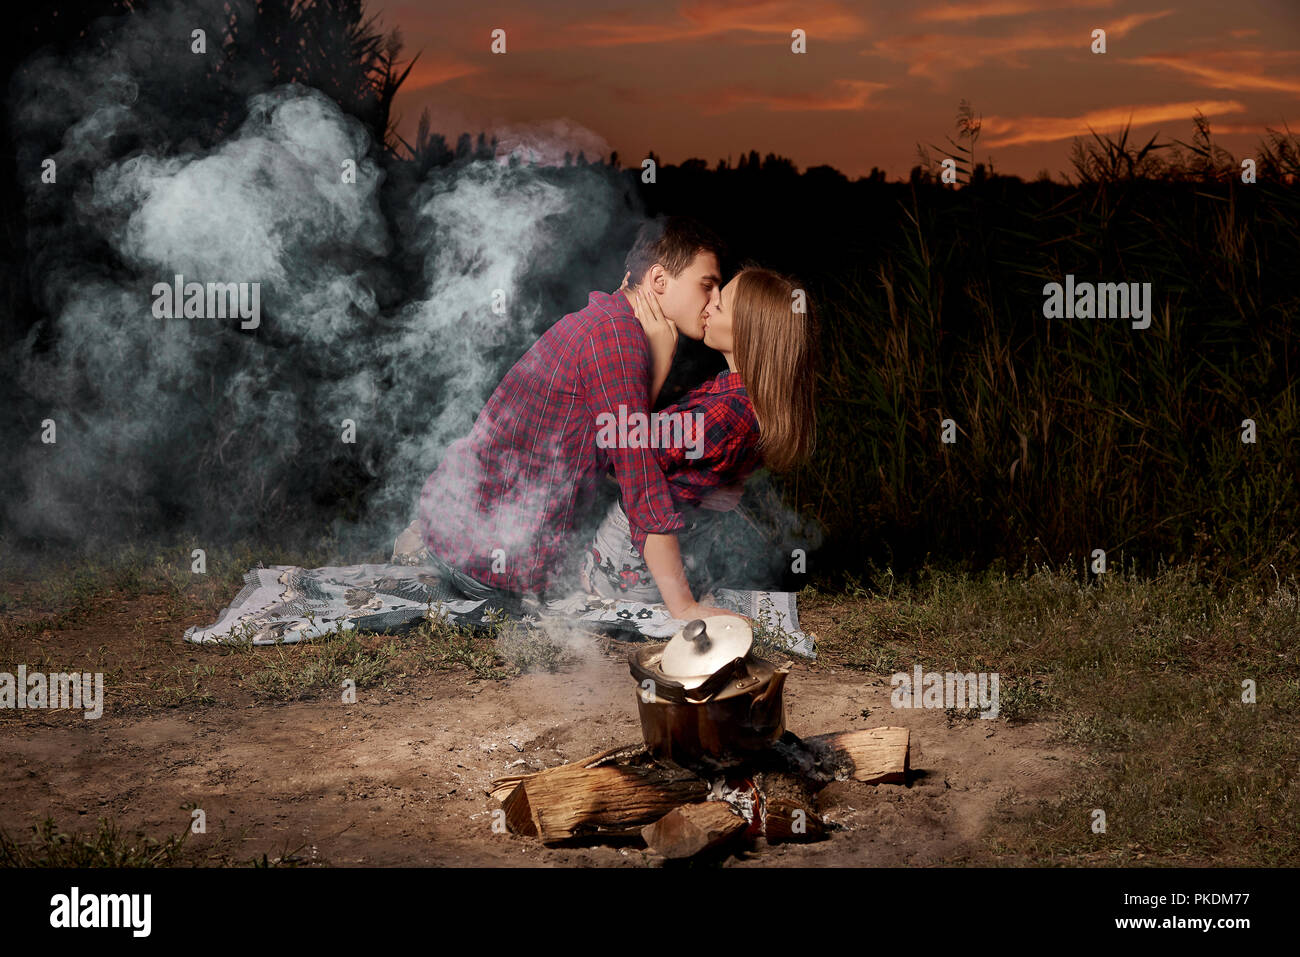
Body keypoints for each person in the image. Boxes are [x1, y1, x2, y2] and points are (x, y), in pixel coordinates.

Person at [409, 216, 738, 621]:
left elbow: (612, 451)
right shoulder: (616, 340)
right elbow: (640, 484)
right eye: (707, 284)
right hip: (485, 563)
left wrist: (658, 366)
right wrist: (684, 607)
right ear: (658, 280)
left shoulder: (610, 322)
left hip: (460, 536)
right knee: (624, 584)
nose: (715, 299)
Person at [580, 266, 818, 604]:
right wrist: (701, 491)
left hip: (631, 572)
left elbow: (622, 456)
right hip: (683, 564)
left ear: (749, 333)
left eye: (719, 305)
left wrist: (657, 359)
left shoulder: (728, 412)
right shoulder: (743, 400)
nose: (707, 303)